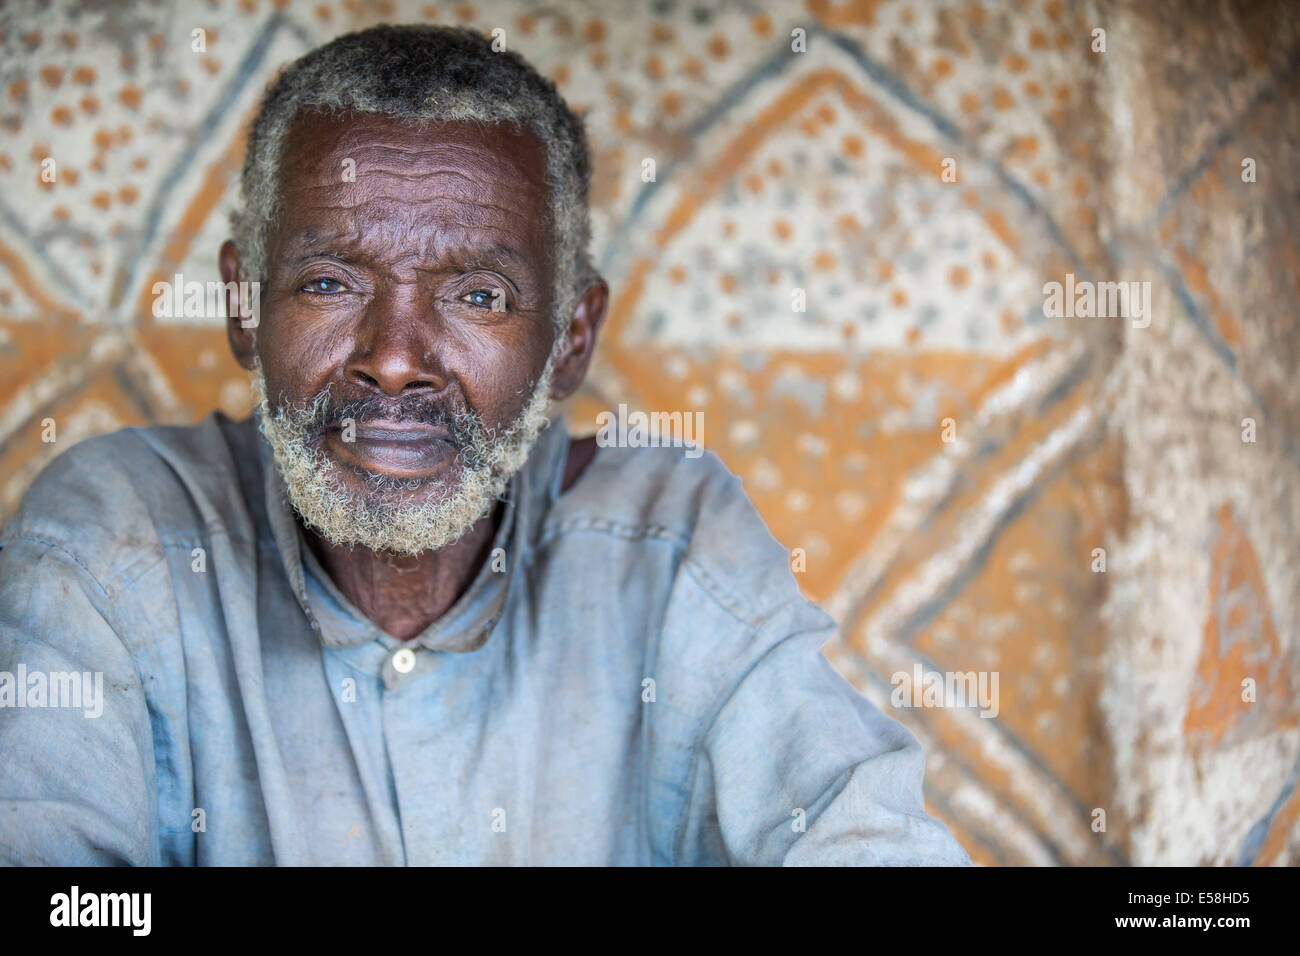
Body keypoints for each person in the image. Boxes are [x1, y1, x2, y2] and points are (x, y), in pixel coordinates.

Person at [0, 24, 971, 866]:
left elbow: (866, 837)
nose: (391, 360)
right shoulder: (115, 537)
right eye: (331, 282)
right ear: (243, 303)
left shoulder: (672, 546)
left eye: (478, 296)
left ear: (569, 342)